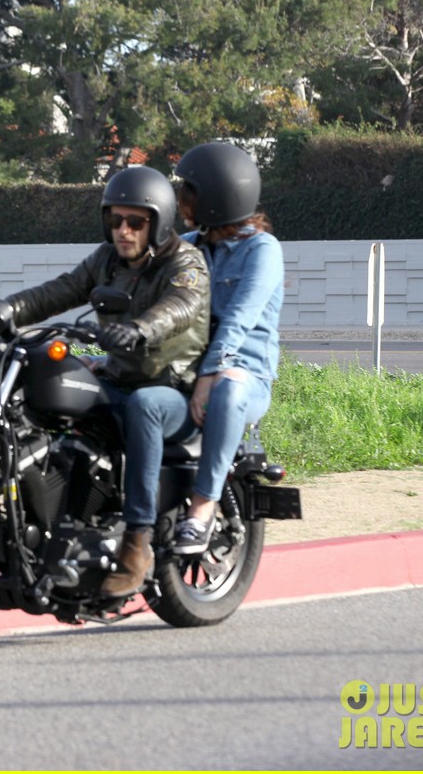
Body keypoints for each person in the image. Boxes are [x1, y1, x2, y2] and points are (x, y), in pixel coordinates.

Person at [3, 166, 210, 597]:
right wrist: (3, 311)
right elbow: (59, 291)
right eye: (115, 220)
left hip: (173, 391)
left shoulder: (185, 262)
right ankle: (58, 522)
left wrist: (139, 329)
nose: (123, 231)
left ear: (158, 223)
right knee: (49, 393)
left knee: (145, 406)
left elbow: (180, 305)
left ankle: (137, 542)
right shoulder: (106, 260)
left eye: (135, 222)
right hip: (119, 379)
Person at [171, 142, 284, 554]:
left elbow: (238, 320)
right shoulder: (186, 245)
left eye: (189, 192)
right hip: (186, 370)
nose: (181, 200)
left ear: (217, 197)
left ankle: (202, 506)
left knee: (229, 387)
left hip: (245, 377)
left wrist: (209, 376)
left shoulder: (262, 251)